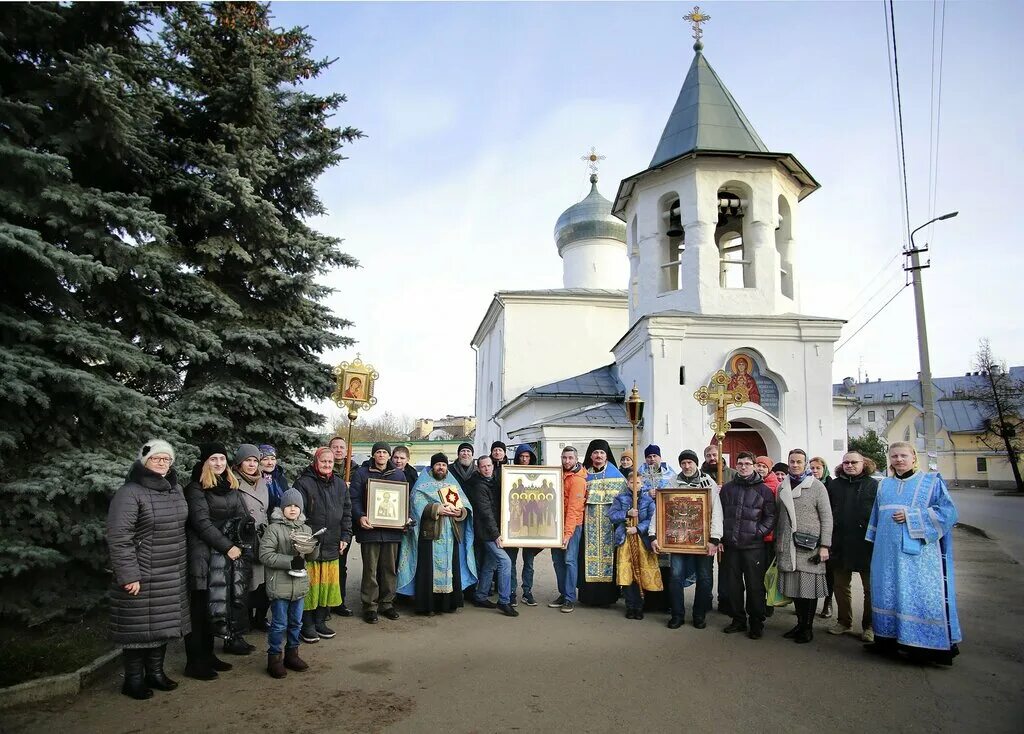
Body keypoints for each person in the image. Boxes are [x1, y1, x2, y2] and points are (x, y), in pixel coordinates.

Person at [106, 439, 189, 699]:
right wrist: (128, 574)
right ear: (145, 460)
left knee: (162, 625)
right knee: (137, 630)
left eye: (167, 459)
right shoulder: (129, 492)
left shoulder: (175, 489)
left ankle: (155, 673)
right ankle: (132, 680)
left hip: (171, 570)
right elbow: (119, 537)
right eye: (156, 458)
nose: (162, 463)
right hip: (142, 572)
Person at [865, 442, 961, 665]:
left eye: (903, 456)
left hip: (918, 557)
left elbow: (949, 513)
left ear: (914, 457)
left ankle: (923, 647)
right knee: (887, 593)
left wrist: (912, 516)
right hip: (886, 553)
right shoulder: (884, 485)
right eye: (894, 456)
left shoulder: (930, 482)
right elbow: (876, 515)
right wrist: (873, 540)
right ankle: (887, 641)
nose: (899, 460)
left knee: (913, 594)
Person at [183, 443, 249, 680]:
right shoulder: (195, 489)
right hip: (203, 556)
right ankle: (194, 662)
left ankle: (209, 655)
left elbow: (243, 515)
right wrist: (228, 546)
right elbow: (201, 524)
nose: (219, 463)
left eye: (222, 458)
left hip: (225, 556)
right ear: (204, 463)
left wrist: (244, 535)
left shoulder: (231, 486)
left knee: (215, 606)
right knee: (199, 609)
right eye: (213, 459)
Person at [397, 454, 478, 615]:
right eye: (438, 464)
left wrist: (459, 512)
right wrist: (437, 509)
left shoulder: (452, 483)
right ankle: (428, 606)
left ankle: (447, 604)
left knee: (450, 569)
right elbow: (416, 503)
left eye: (443, 465)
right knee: (428, 570)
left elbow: (465, 505)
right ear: (432, 466)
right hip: (430, 534)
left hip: (449, 535)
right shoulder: (422, 483)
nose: (441, 467)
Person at [650, 449, 722, 629]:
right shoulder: (673, 482)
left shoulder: (707, 482)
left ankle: (699, 615)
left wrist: (715, 538)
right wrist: (653, 534)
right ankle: (677, 614)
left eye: (690, 462)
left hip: (702, 539)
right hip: (678, 539)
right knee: (675, 577)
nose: (687, 466)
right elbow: (660, 509)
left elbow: (716, 511)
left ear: (696, 463)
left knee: (705, 578)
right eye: (683, 463)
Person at [293, 446, 352, 643]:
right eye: (323, 461)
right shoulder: (303, 483)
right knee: (310, 586)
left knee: (326, 585)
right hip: (311, 543)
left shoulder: (340, 485)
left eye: (329, 461)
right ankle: (306, 624)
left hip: (333, 542)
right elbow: (297, 514)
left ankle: (320, 621)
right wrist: (303, 539)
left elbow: (347, 513)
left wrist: (345, 536)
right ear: (315, 462)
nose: (327, 465)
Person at [258, 488, 318, 678]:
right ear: (282, 508)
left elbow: (312, 556)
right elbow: (265, 555)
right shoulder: (273, 529)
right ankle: (274, 658)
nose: (293, 509)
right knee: (279, 624)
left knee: (296, 623)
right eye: (289, 506)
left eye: (296, 506)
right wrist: (290, 561)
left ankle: (292, 654)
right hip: (280, 585)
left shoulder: (306, 529)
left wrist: (314, 546)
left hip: (299, 585)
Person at [775, 448, 833, 644]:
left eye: (799, 461)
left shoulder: (816, 486)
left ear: (805, 463)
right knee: (795, 588)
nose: (795, 464)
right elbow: (779, 515)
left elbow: (826, 517)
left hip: (809, 544)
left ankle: (807, 628)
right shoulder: (782, 486)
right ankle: (799, 624)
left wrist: (825, 545)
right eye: (792, 461)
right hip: (788, 544)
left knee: (808, 589)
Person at [350, 442, 410, 624]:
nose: (382, 455)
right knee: (370, 569)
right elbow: (353, 498)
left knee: (389, 569)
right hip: (370, 530)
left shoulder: (399, 475)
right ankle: (370, 606)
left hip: (392, 531)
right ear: (373, 455)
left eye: (385, 452)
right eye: (378, 452)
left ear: (389, 456)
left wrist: (405, 518)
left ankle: (387, 603)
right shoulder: (362, 473)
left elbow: (403, 500)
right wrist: (360, 516)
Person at [719, 451, 775, 640]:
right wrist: (720, 538)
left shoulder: (764, 490)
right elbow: (719, 515)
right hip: (731, 546)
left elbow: (771, 517)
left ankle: (756, 622)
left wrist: (757, 533)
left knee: (755, 587)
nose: (743, 467)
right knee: (733, 586)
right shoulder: (727, 489)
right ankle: (738, 619)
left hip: (754, 547)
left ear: (754, 465)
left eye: (747, 464)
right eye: (740, 463)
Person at [827, 451, 878, 642]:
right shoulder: (835, 485)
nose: (849, 465)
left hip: (866, 544)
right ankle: (844, 621)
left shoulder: (873, 485)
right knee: (841, 586)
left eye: (854, 462)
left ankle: (869, 626)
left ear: (863, 463)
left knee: (870, 589)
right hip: (840, 543)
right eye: (846, 462)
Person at [608, 464, 662, 619]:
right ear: (628, 483)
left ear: (642, 484)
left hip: (642, 541)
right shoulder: (620, 498)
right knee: (627, 574)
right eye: (632, 482)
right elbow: (612, 515)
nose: (635, 485)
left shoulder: (648, 501)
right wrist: (627, 513)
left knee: (640, 572)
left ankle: (639, 606)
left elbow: (651, 520)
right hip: (625, 540)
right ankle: (630, 606)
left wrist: (637, 529)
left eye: (638, 483)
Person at [577, 440, 625, 607]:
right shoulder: (583, 474)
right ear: (590, 455)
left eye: (602, 453)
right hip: (587, 525)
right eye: (595, 453)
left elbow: (624, 500)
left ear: (607, 456)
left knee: (609, 557)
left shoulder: (616, 475)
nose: (598, 456)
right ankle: (587, 596)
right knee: (586, 557)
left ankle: (608, 597)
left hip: (608, 525)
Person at [468, 455, 517, 617]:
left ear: (493, 466)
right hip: (487, 533)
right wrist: (496, 535)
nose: (487, 469)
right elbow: (486, 514)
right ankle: (504, 601)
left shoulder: (494, 482)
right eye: (483, 467)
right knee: (505, 561)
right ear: (479, 468)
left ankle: (481, 595)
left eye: (489, 466)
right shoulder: (479, 486)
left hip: (495, 530)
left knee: (491, 563)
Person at [233, 444, 269, 651]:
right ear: (240, 463)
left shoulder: (262, 482)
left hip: (261, 538)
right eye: (248, 460)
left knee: (261, 581)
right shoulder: (233, 482)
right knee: (245, 582)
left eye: (255, 461)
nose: (252, 464)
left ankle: (259, 619)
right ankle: (242, 624)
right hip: (244, 537)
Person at [549, 447, 587, 613]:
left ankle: (570, 598)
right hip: (555, 525)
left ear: (576, 459)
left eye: (570, 458)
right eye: (564, 458)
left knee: (570, 561)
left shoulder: (578, 480)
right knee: (557, 561)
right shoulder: (558, 474)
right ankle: (563, 593)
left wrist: (567, 534)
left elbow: (574, 508)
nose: (567, 461)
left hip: (573, 526)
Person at [506, 444, 543, 606]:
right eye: (522, 456)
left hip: (529, 521)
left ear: (531, 458)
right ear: (517, 458)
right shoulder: (509, 475)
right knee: (511, 561)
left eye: (527, 457)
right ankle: (512, 591)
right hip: (514, 521)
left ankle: (527, 591)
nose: (524, 459)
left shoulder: (537, 475)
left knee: (529, 562)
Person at [328, 436, 357, 618]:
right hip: (328, 522)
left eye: (342, 447)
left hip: (345, 522)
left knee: (341, 565)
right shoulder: (324, 466)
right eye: (335, 447)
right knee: (324, 564)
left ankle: (339, 601)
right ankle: (324, 602)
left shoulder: (354, 470)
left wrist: (350, 488)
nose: (339, 450)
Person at [755, 455, 781, 617]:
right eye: (758, 465)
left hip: (769, 537)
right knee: (756, 573)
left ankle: (768, 601)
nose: (760, 469)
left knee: (768, 572)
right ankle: (757, 601)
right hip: (754, 536)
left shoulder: (776, 486)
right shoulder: (752, 483)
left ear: (769, 469)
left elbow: (776, 513)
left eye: (763, 466)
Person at [809, 456, 835, 618]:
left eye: (818, 468)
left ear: (824, 469)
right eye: (812, 468)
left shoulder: (832, 486)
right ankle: (808, 603)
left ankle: (828, 601)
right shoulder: (807, 485)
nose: (815, 471)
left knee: (829, 571)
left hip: (828, 533)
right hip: (810, 534)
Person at [259, 444, 289, 511]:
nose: (270, 463)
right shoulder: (255, 479)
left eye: (273, 459)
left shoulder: (281, 478)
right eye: (265, 459)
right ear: (259, 461)